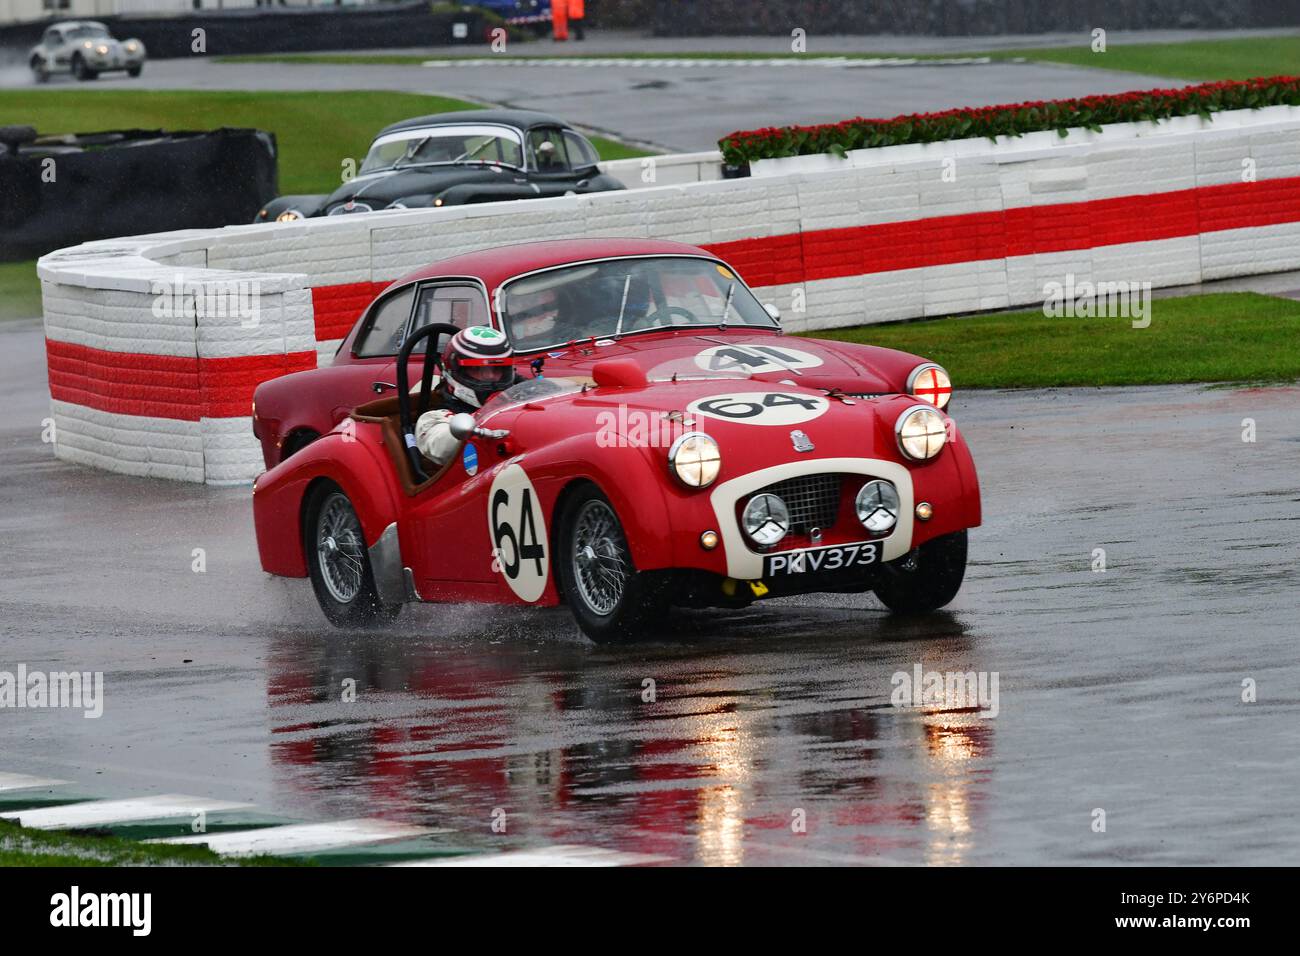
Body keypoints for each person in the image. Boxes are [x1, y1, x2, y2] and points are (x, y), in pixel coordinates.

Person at [414, 326, 516, 468]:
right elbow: (441, 448)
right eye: (477, 369)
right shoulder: (434, 418)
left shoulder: (516, 400)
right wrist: (485, 417)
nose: (491, 377)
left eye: (497, 369)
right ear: (455, 370)